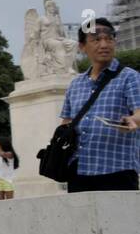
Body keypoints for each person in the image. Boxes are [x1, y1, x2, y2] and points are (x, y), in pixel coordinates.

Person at [57, 17, 139, 192]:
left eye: (109, 39)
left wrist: (133, 120)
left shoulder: (129, 77)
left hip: (117, 169)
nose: (104, 44)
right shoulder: (75, 84)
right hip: (78, 170)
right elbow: (66, 122)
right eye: (96, 40)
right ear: (82, 46)